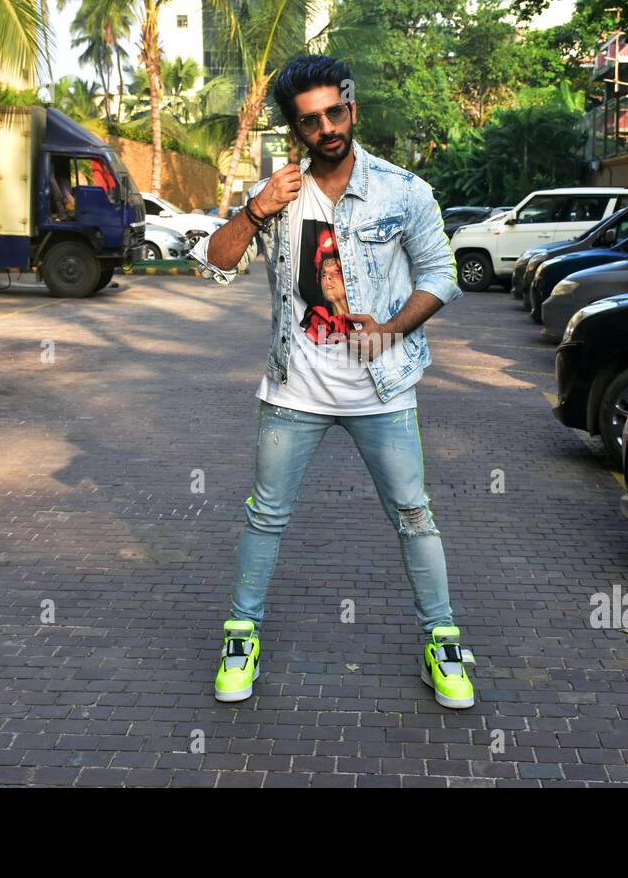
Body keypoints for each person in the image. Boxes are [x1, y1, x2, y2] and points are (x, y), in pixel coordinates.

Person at [187, 54, 474, 709]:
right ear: (296, 129)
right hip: (295, 390)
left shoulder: (404, 190)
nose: (326, 128)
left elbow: (441, 276)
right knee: (265, 515)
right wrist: (257, 208)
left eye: (334, 112)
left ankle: (443, 638)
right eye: (309, 120)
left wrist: (393, 328)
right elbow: (215, 262)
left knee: (414, 514)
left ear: (353, 109)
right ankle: (242, 633)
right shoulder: (281, 195)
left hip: (383, 389)